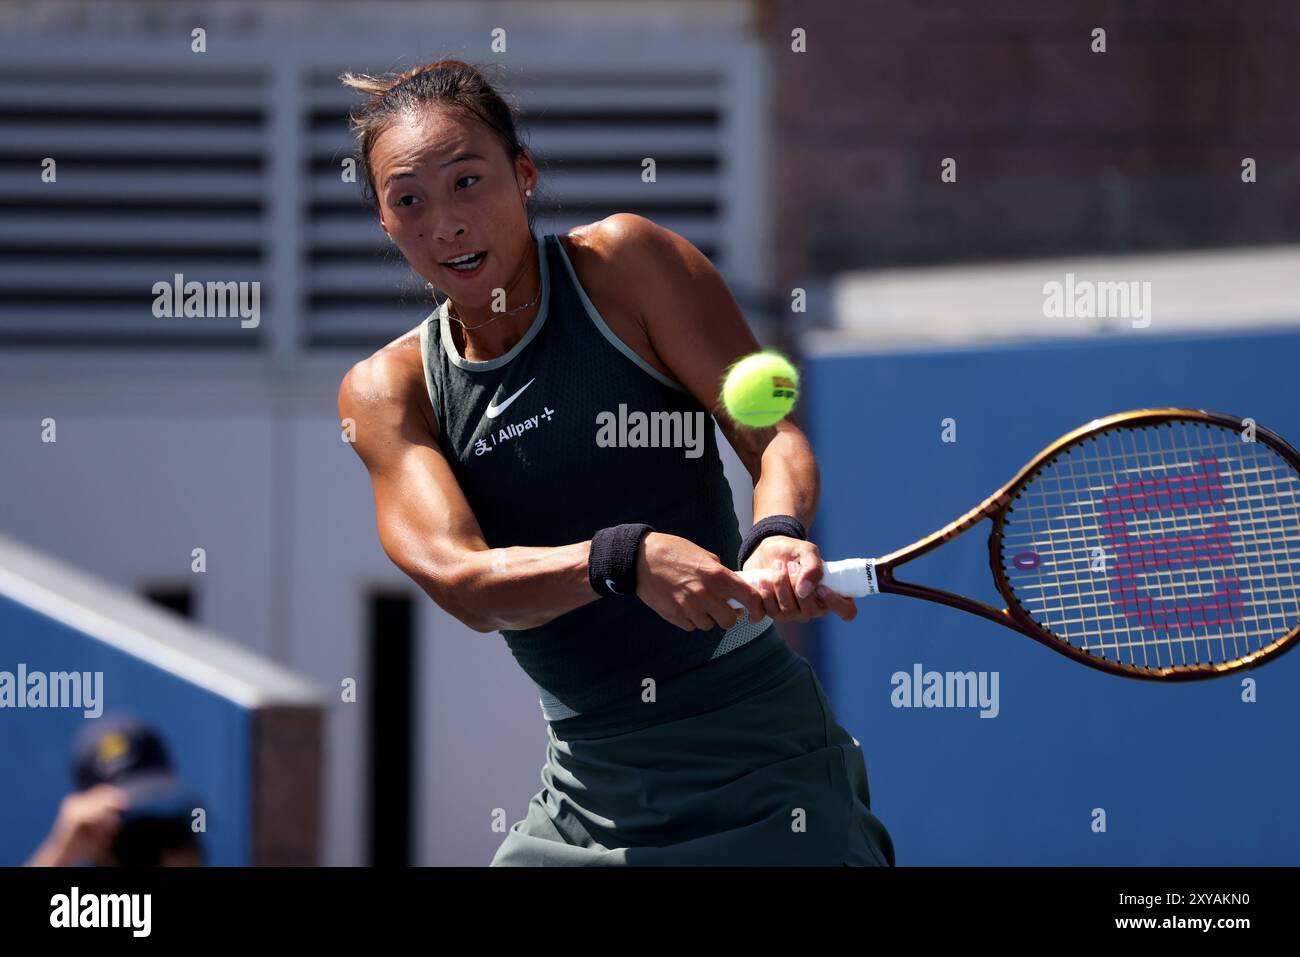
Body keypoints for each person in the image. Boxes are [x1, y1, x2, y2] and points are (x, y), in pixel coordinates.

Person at [338, 59, 894, 866]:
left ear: (523, 175)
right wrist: (622, 557)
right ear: (387, 225)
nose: (446, 224)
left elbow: (770, 435)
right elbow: (463, 580)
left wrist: (775, 531)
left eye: (468, 181)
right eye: (409, 200)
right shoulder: (387, 392)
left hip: (763, 765)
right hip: (587, 792)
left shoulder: (630, 266)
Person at [26, 714, 203, 867]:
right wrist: (59, 853)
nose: (145, 848)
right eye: (133, 844)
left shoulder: (183, 843)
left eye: (161, 834)